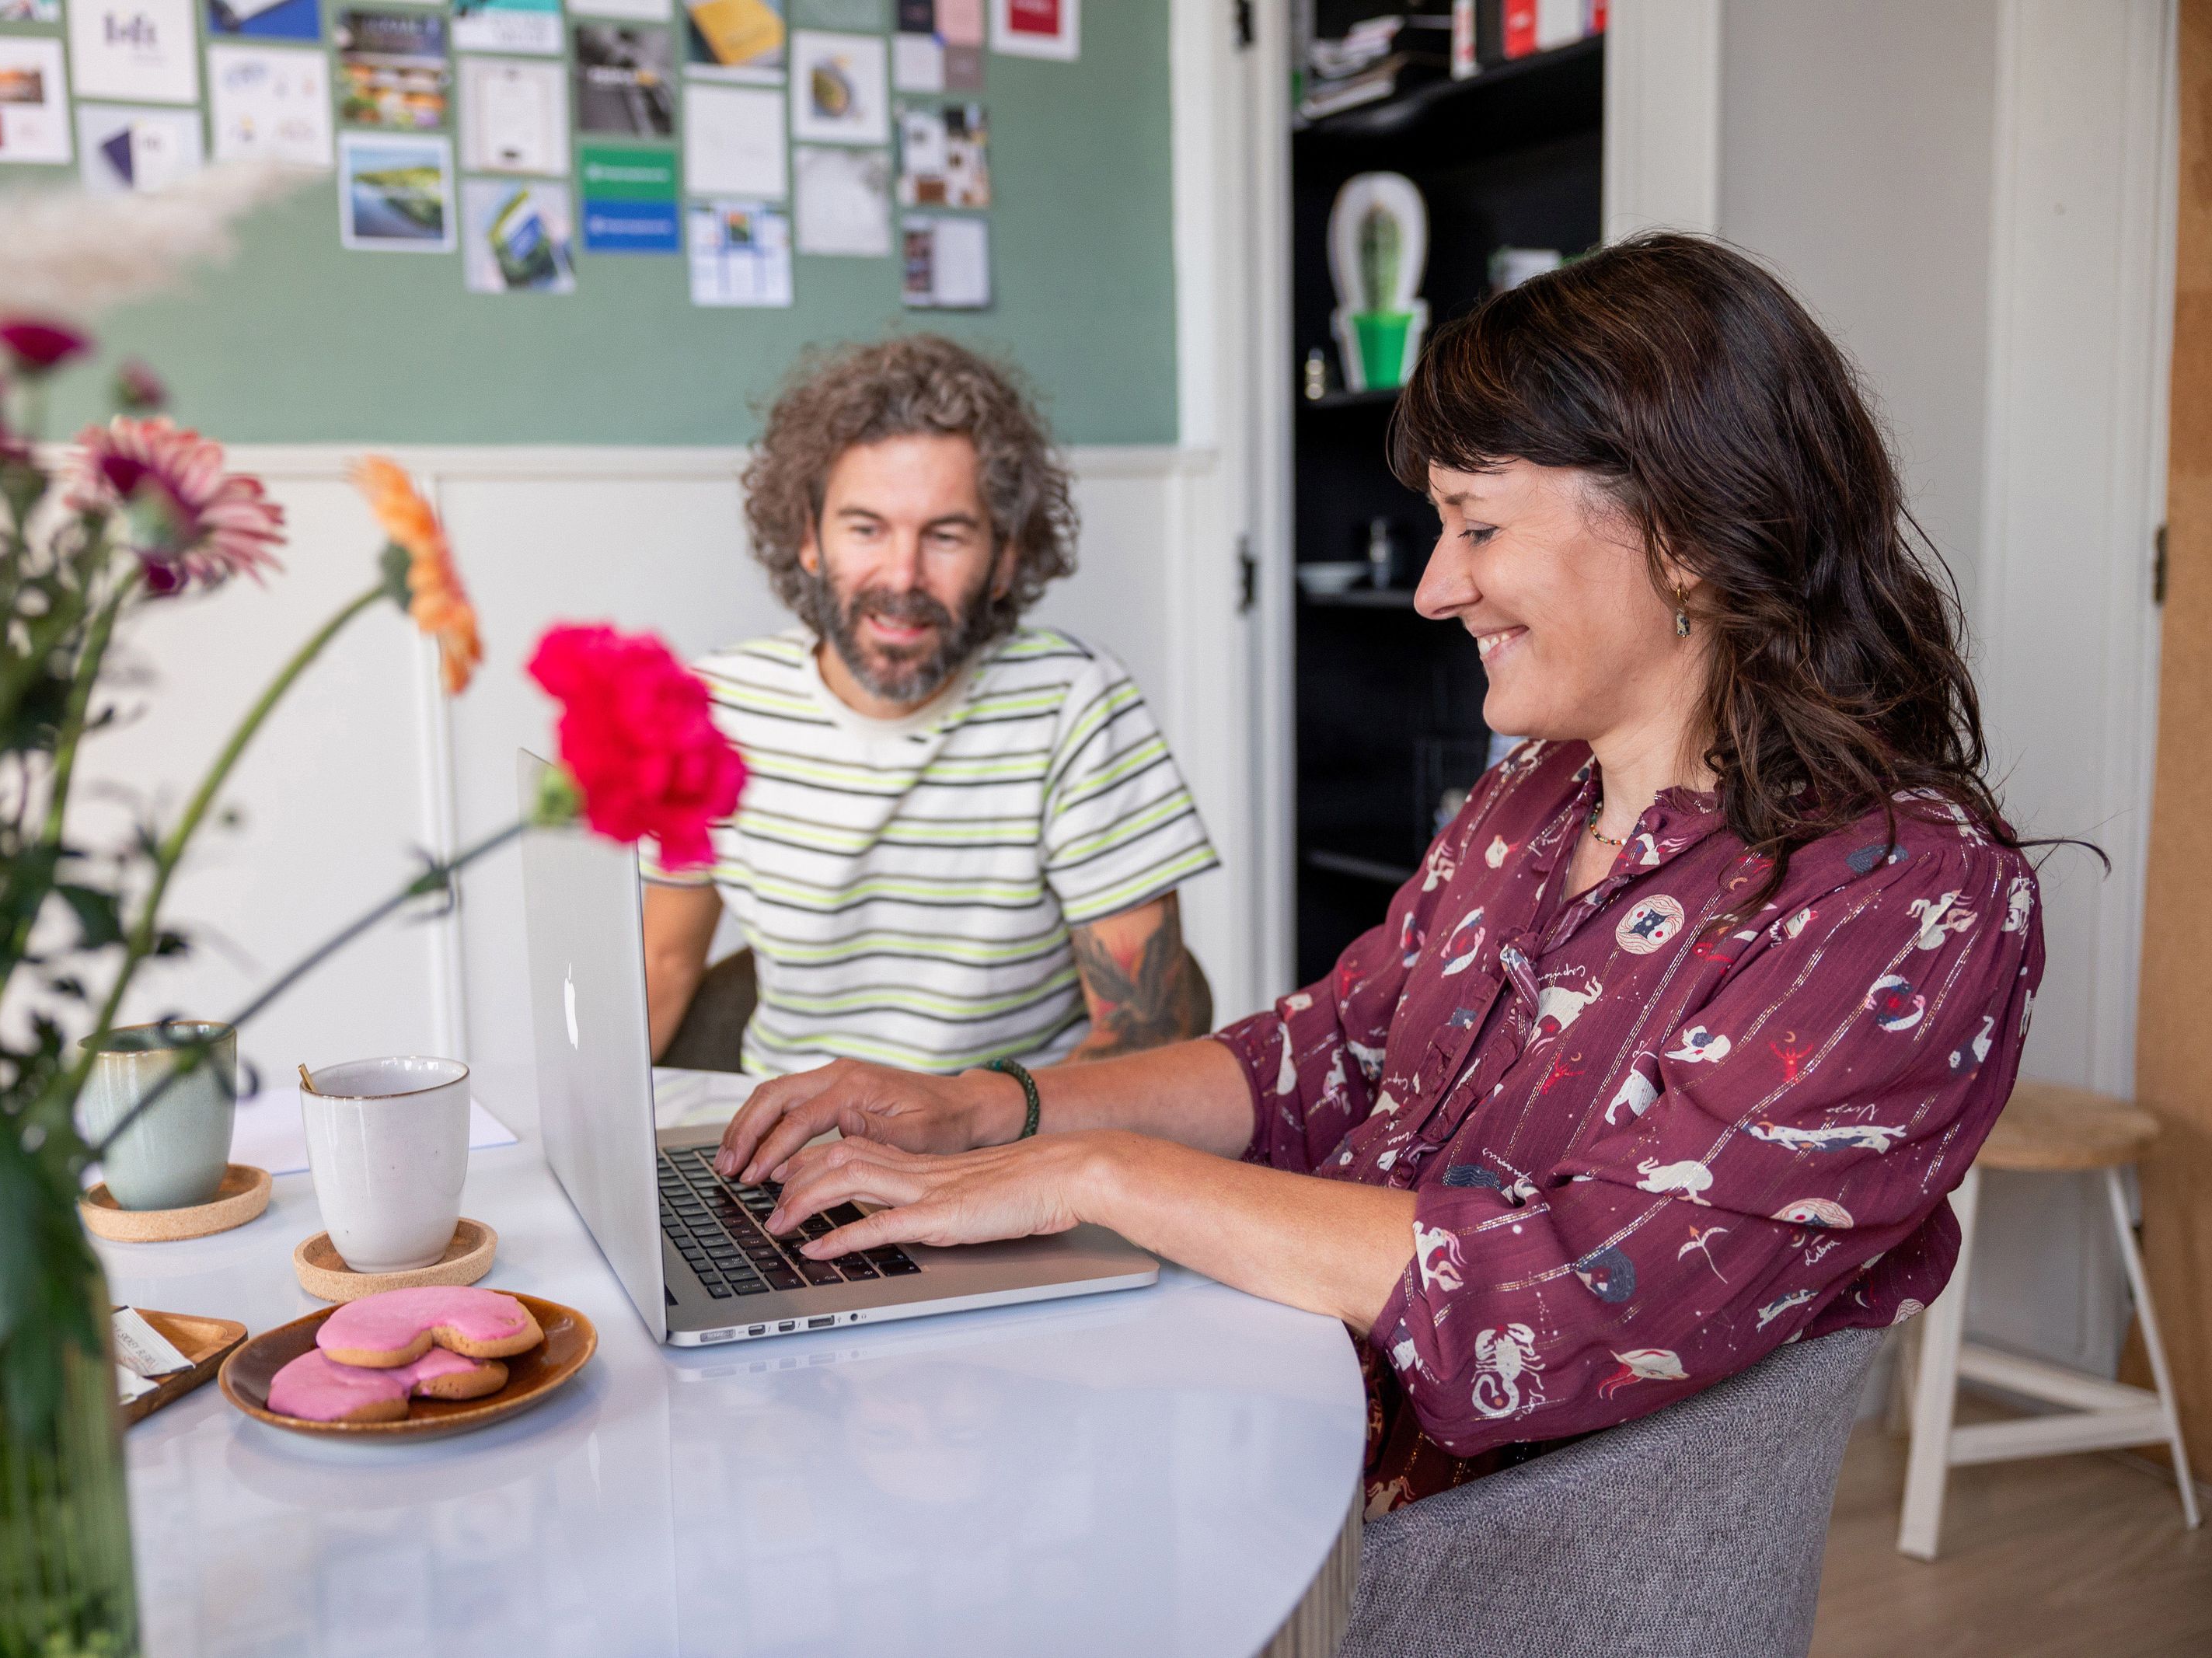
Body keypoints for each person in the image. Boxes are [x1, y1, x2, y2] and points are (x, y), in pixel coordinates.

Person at [711, 234, 2048, 1517]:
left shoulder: (1901, 905)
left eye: (1474, 526)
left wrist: (1095, 1175)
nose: (1430, 588)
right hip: (1252, 1397)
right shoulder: (1538, 794)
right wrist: (981, 1109)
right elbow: (1326, 1054)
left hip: (1422, 1538)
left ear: (1687, 533)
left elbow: (1574, 1289)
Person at [644, 335, 1219, 1077]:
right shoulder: (715, 710)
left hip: (1012, 1157)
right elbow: (663, 966)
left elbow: (1150, 1036)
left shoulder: (1075, 704)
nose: (903, 575)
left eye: (945, 535)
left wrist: (961, 1148)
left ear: (1005, 557)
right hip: (775, 1149)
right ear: (809, 539)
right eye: (865, 529)